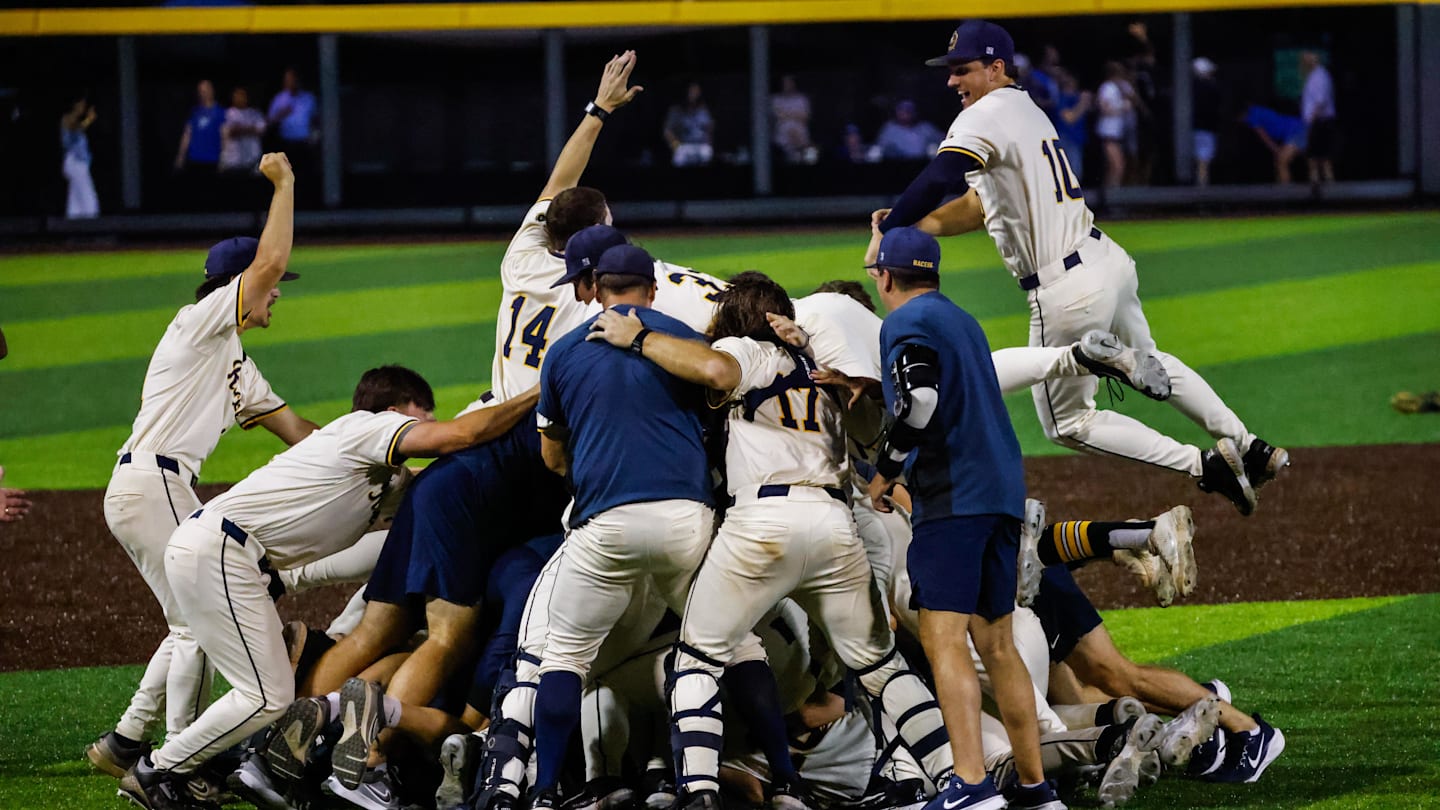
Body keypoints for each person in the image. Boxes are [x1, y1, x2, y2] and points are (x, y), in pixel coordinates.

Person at [875, 19, 1288, 516]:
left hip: (1065, 288)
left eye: (962, 70)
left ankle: (1204, 465)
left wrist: (893, 226)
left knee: (1066, 423)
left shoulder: (982, 117)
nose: (951, 81)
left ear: (996, 68)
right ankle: (1248, 445)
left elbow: (939, 173)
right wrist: (917, 225)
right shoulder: (1025, 110)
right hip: (1105, 259)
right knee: (1151, 358)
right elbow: (980, 206)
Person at [588, 269, 959, 810]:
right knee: (880, 667)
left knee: (697, 657)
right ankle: (957, 777)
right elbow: (871, 432)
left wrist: (638, 338)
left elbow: (715, 368)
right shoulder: (822, 371)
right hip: (835, 527)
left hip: (763, 525)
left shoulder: (751, 349)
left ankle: (698, 793)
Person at [118, 367, 543, 810]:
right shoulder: (369, 427)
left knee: (245, 676)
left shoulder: (382, 475)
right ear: (396, 413)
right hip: (221, 550)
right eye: (423, 418)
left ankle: (239, 760)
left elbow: (420, 501)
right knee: (264, 695)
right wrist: (536, 391)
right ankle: (160, 768)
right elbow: (457, 436)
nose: (430, 426)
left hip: (221, 551)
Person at [83, 153, 322, 787]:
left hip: (151, 489)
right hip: (152, 483)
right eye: (271, 286)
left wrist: (368, 446)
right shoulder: (203, 323)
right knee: (198, 620)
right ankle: (179, 760)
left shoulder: (236, 358)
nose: (277, 292)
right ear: (239, 285)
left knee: (188, 620)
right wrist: (285, 185)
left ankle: (129, 741)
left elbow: (297, 432)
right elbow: (266, 262)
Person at [858, 227, 1063, 810]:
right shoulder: (964, 321)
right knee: (998, 646)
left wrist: (886, 470)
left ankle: (970, 785)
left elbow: (919, 400)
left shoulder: (904, 323)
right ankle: (1034, 789)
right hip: (1001, 495)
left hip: (952, 499)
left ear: (888, 278)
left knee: (943, 638)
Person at [526, 243, 718, 808]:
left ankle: (542, 792)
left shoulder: (563, 353)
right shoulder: (689, 342)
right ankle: (773, 781)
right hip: (688, 521)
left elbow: (551, 457)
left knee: (563, 657)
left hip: (604, 523)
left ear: (595, 287)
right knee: (728, 648)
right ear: (652, 290)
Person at [458, 50, 643, 415]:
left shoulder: (521, 260)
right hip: (543, 428)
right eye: (607, 220)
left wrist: (601, 107)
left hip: (495, 414)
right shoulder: (596, 293)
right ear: (592, 234)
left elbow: (559, 183)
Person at [1034, 565, 1285, 783]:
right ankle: (1191, 702)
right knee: (1064, 701)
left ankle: (1247, 731)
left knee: (1113, 674)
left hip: (1033, 579)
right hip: (1022, 576)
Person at [1095, 61, 1137, 189]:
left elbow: (1133, 98)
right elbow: (1104, 108)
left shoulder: (1120, 87)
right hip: (1107, 132)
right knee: (1116, 166)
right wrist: (1121, 107)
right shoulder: (1107, 88)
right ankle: (1111, 198)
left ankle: (1112, 195)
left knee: (1116, 166)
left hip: (1117, 132)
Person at [1241, 104, 1306, 184]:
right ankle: (1281, 190)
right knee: (1279, 162)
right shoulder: (1254, 109)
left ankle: (1287, 193)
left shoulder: (1252, 117)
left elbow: (1265, 138)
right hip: (1296, 129)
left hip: (1297, 131)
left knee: (1281, 161)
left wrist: (1277, 150)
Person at [1299, 51, 1336, 187]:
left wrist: (1311, 122)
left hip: (1320, 122)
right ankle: (1315, 185)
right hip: (1316, 121)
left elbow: (1320, 102)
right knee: (1313, 157)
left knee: (1322, 157)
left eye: (1305, 60)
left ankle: (1330, 190)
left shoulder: (1320, 76)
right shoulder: (1312, 76)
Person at [60, 95, 98, 219]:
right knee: (88, 197)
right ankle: (94, 227)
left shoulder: (74, 120)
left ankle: (72, 228)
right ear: (75, 105)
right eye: (81, 104)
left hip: (78, 163)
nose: (83, 107)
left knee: (75, 200)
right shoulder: (67, 118)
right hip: (75, 162)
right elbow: (76, 128)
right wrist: (89, 119)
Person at [1053, 69, 1092, 185]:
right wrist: (1083, 103)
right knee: (1071, 174)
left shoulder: (1077, 96)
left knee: (1077, 173)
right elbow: (1069, 118)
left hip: (1077, 140)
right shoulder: (1062, 97)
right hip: (1066, 139)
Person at [174, 80, 221, 174]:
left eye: (205, 91)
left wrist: (224, 159)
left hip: (213, 159)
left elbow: (225, 137)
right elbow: (187, 134)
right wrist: (181, 156)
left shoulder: (220, 112)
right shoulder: (194, 112)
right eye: (200, 91)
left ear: (211, 91)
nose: (202, 94)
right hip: (195, 159)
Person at [266, 68, 318, 155]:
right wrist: (281, 114)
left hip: (305, 143)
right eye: (287, 80)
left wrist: (315, 137)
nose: (290, 82)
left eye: (292, 79)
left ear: (298, 80)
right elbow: (269, 121)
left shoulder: (309, 98)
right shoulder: (279, 98)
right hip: (286, 143)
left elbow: (316, 118)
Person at [663, 81, 715, 167]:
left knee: (707, 154)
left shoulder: (704, 110)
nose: (694, 94)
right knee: (679, 159)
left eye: (696, 91)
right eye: (692, 91)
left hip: (701, 146)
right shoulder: (676, 110)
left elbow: (710, 128)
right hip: (684, 147)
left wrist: (709, 143)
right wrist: (676, 146)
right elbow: (667, 131)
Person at [219, 87, 267, 174]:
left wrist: (241, 129)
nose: (240, 98)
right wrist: (250, 128)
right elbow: (231, 131)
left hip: (252, 159)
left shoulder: (255, 113)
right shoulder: (227, 113)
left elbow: (261, 129)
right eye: (237, 95)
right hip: (232, 161)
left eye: (242, 95)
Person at [875, 100, 944, 161]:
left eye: (908, 110)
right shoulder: (889, 129)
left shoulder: (926, 128)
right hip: (896, 166)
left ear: (915, 112)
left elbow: (942, 141)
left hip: (923, 166)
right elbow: (880, 149)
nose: (905, 113)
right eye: (902, 110)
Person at [771, 75, 814, 164]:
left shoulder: (802, 98)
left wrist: (786, 114)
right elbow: (778, 116)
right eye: (785, 83)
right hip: (782, 139)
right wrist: (796, 114)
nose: (787, 85)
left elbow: (805, 117)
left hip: (802, 137)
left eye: (789, 82)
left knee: (811, 157)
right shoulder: (775, 99)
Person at [1192, 58, 1221, 187]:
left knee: (1202, 162)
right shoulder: (1207, 87)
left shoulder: (1192, 87)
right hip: (1203, 129)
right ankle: (1202, 195)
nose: (1211, 74)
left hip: (1200, 129)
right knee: (1203, 162)